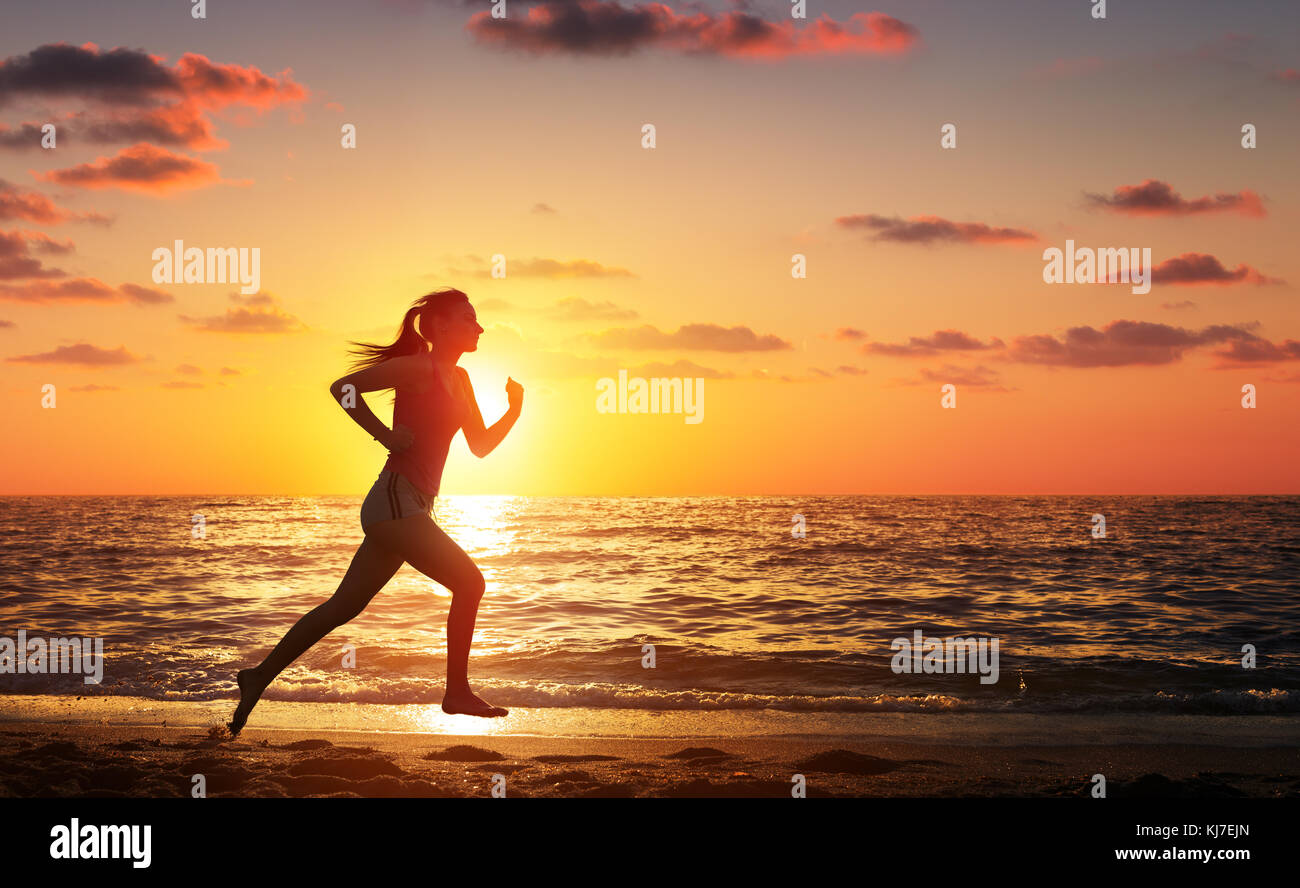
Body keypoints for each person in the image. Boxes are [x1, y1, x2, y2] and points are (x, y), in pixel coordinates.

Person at [228, 287, 522, 736]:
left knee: (342, 607)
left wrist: (514, 412)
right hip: (393, 500)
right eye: (469, 318)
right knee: (470, 582)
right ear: (441, 326)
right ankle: (456, 691)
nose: (479, 326)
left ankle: (257, 677)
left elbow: (479, 446)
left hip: (410, 506)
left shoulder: (460, 380)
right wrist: (384, 435)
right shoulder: (418, 368)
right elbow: (341, 388)